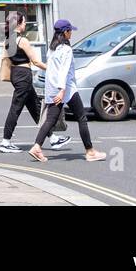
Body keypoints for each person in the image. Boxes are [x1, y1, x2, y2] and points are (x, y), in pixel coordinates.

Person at [29, 19, 105, 163]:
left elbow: (51, 71)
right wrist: (62, 90)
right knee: (81, 117)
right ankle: (90, 151)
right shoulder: (66, 50)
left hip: (53, 88)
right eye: (70, 31)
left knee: (50, 119)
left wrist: (52, 91)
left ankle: (37, 147)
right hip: (66, 88)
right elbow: (63, 71)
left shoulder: (52, 49)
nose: (71, 33)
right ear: (65, 32)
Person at [0, 11, 70, 154]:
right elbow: (36, 61)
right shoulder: (22, 40)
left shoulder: (8, 40)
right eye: (24, 22)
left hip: (16, 75)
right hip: (23, 76)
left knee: (35, 107)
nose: (25, 25)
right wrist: (52, 69)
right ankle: (5, 141)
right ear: (18, 24)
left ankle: (52, 137)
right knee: (16, 108)